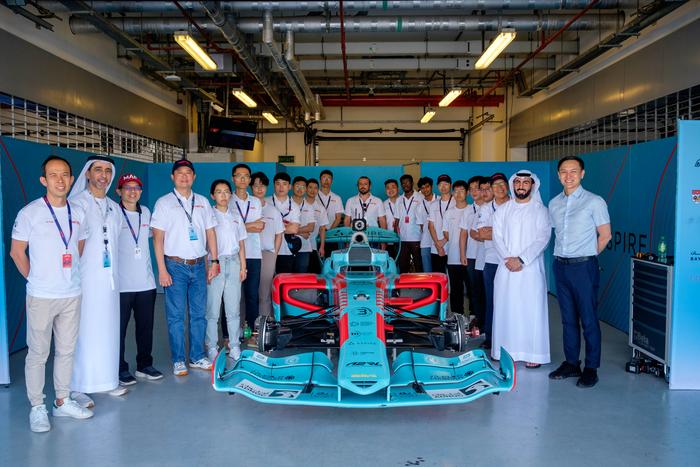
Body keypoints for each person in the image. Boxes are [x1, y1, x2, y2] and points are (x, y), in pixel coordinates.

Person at [10, 155, 94, 432]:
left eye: (65, 175)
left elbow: (78, 246)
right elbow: (16, 251)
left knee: (67, 351)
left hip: (71, 293)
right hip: (41, 296)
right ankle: (37, 406)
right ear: (43, 180)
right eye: (54, 175)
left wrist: (67, 275)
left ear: (72, 180)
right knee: (38, 353)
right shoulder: (30, 213)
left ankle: (62, 401)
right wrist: (36, 278)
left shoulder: (78, 212)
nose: (60, 180)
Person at [151, 159, 219, 377]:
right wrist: (162, 269)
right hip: (175, 266)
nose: (184, 176)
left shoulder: (202, 202)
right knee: (176, 316)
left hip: (199, 265)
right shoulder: (164, 203)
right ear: (173, 177)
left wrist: (214, 261)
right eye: (179, 173)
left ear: (194, 177)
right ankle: (179, 359)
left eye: (188, 172)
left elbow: (210, 232)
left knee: (199, 314)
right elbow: (158, 239)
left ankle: (197, 356)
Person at [68, 155, 127, 408]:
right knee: (83, 333)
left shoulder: (114, 207)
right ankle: (78, 387)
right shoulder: (76, 204)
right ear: (88, 174)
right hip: (85, 280)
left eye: (107, 171)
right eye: (98, 170)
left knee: (108, 330)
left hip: (110, 282)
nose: (103, 175)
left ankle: (106, 380)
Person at [548, 155, 611, 388]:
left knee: (589, 318)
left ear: (582, 174)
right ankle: (572, 363)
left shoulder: (595, 201)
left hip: (584, 267)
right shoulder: (554, 203)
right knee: (567, 319)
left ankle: (591, 367)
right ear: (558, 175)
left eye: (574, 171)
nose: (569, 176)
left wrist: (587, 256)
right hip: (561, 266)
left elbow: (605, 235)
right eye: (564, 171)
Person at [491, 170, 551, 368]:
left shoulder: (541, 210)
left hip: (530, 270)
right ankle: (504, 351)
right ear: (512, 185)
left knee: (531, 311)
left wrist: (522, 259)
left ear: (533, 185)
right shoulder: (502, 210)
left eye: (526, 182)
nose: (521, 185)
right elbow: (496, 237)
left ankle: (533, 353)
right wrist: (509, 259)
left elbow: (543, 238)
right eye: (517, 182)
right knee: (505, 309)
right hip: (506, 268)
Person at [116, 174, 162, 386]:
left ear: (141, 192)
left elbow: (155, 238)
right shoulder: (114, 213)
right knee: (120, 329)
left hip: (146, 283)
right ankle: (119, 368)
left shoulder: (146, 212)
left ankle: (144, 364)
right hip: (121, 284)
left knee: (145, 327)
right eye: (127, 187)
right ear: (119, 191)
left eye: (136, 188)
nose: (132, 191)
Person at [206, 179, 247, 362]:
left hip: (234, 261)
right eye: (219, 192)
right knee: (213, 309)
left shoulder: (236, 216)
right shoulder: (208, 216)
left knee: (233, 309)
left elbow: (241, 243)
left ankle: (234, 345)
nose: (223, 195)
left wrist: (243, 266)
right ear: (212, 196)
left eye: (226, 192)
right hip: (216, 264)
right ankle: (212, 347)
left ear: (231, 195)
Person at [476, 172, 510, 350]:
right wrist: (508, 231)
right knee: (492, 300)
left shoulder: (516, 205)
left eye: (502, 184)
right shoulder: (486, 208)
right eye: (495, 185)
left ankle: (511, 336)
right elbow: (482, 234)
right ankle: (491, 337)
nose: (499, 188)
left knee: (512, 300)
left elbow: (490, 233)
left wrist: (494, 231)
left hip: (513, 261)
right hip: (492, 260)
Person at [231, 163, 263, 334]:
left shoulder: (256, 202)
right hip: (232, 254)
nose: (242, 179)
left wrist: (238, 225)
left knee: (252, 296)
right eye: (239, 175)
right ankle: (231, 334)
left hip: (253, 254)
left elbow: (260, 226)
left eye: (246, 176)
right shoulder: (227, 200)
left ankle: (253, 332)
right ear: (233, 178)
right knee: (231, 298)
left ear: (249, 180)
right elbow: (226, 227)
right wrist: (249, 225)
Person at [251, 172, 285, 317]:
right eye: (256, 185)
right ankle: (245, 325)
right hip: (248, 254)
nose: (259, 189)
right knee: (247, 291)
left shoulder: (273, 211)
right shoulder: (246, 208)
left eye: (262, 185)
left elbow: (279, 233)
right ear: (251, 187)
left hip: (267, 254)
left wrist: (274, 254)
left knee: (264, 291)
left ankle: (264, 325)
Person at [461, 176, 491, 330]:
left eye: (477, 188)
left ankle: (489, 322)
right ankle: (479, 321)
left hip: (493, 258)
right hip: (474, 256)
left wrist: (485, 235)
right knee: (476, 290)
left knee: (489, 292)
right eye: (471, 188)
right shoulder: (470, 210)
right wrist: (463, 254)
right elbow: (470, 233)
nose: (474, 191)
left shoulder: (491, 207)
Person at [443, 180, 469, 315]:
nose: (459, 194)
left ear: (467, 192)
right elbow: (445, 232)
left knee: (471, 288)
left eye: (462, 190)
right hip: (453, 256)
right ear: (453, 193)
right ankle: (457, 316)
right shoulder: (449, 212)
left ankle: (473, 316)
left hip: (470, 256)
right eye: (456, 191)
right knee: (456, 288)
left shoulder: (472, 210)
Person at [267, 173, 300, 274]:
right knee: (266, 282)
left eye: (284, 184)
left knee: (282, 282)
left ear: (289, 186)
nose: (281, 187)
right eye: (278, 184)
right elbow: (263, 227)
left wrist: (273, 227)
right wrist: (285, 226)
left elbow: (294, 229)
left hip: (286, 250)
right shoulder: (265, 202)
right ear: (274, 185)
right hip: (267, 250)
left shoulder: (294, 206)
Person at [395, 174, 424, 273]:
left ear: (412, 183)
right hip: (403, 238)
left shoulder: (421, 197)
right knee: (403, 265)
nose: (405, 185)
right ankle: (404, 286)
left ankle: (421, 286)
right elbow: (397, 220)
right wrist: (397, 236)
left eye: (407, 182)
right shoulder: (399, 200)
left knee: (418, 264)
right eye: (403, 183)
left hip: (417, 237)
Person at [291, 176, 316, 273]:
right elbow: (282, 226)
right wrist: (302, 232)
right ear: (292, 187)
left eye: (303, 187)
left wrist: (293, 230)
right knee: (286, 275)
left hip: (304, 248)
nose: (300, 189)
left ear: (305, 189)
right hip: (286, 247)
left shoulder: (309, 207)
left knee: (302, 276)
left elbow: (311, 227)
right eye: (297, 186)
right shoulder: (286, 204)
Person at [305, 178, 330, 273]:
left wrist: (322, 247)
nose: (312, 190)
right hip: (298, 245)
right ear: (306, 189)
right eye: (310, 187)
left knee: (314, 271)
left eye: (315, 188)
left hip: (313, 246)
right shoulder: (298, 205)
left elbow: (322, 228)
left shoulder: (320, 208)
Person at [428, 174, 452, 273]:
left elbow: (459, 227)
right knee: (438, 277)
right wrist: (438, 245)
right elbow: (431, 226)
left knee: (454, 278)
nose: (443, 187)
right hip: (436, 248)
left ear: (450, 185)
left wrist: (445, 240)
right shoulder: (433, 204)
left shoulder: (457, 202)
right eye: (441, 184)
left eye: (446, 184)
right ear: (437, 186)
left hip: (452, 246)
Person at [317, 169, 343, 256]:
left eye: (329, 178)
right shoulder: (314, 196)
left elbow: (338, 218)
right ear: (320, 180)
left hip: (331, 235)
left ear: (332, 181)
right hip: (316, 234)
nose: (326, 180)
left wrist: (329, 231)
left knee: (331, 259)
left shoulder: (337, 198)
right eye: (324, 178)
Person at [417, 177, 436, 272]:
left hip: (440, 241)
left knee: (440, 269)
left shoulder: (440, 201)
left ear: (432, 186)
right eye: (422, 188)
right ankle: (428, 287)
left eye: (427, 186)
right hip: (426, 241)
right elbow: (421, 226)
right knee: (427, 270)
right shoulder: (419, 205)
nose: (425, 189)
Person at [383, 179, 400, 259]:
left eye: (393, 187)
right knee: (391, 262)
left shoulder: (404, 202)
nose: (390, 190)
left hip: (403, 238)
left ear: (398, 188)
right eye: (388, 188)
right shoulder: (383, 204)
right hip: (389, 239)